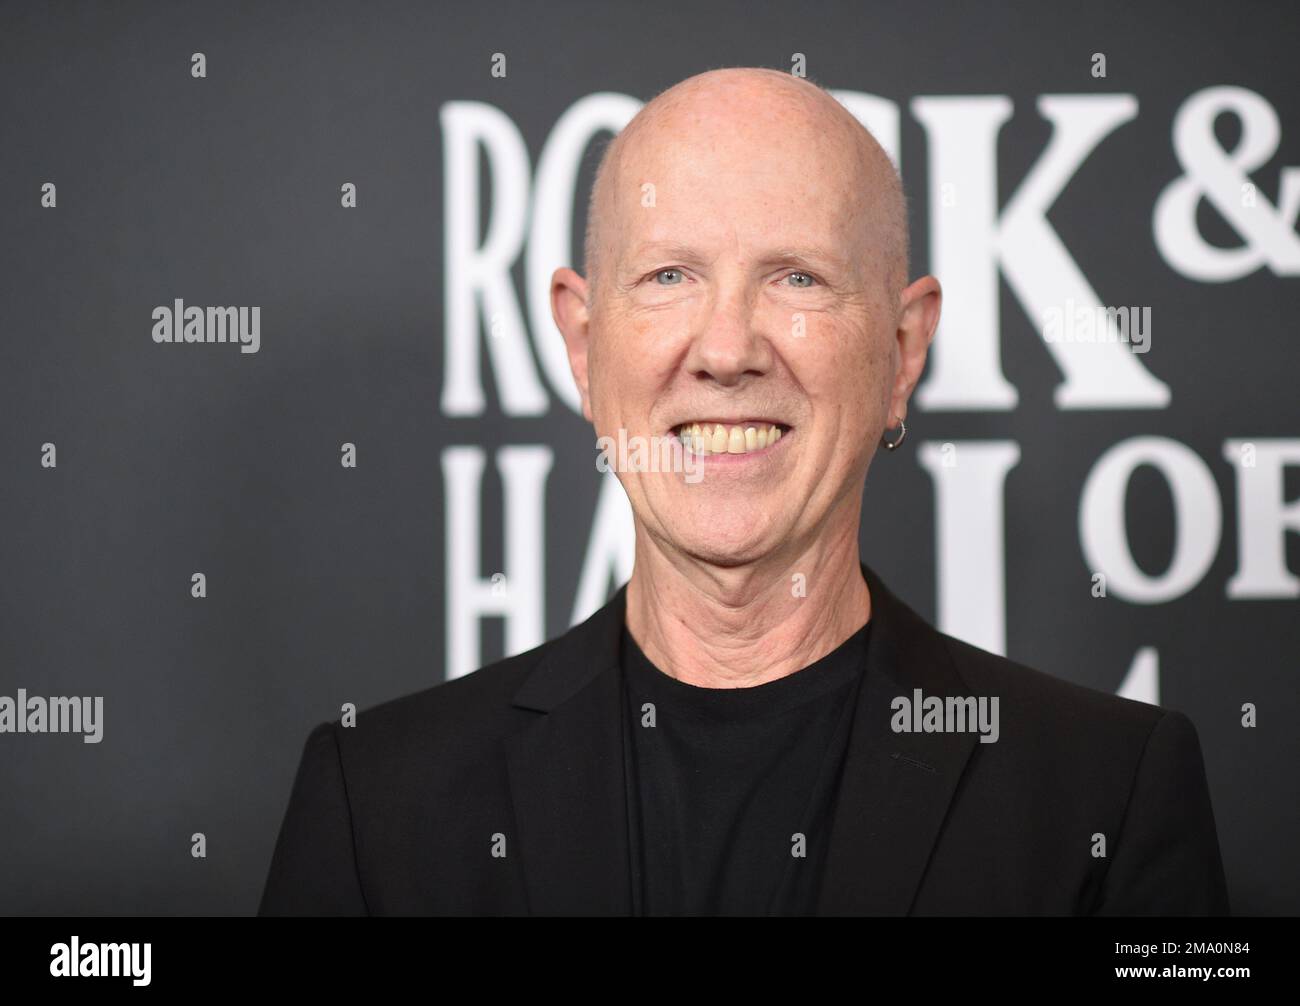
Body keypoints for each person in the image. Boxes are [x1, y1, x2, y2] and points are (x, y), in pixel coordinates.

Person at [258, 67, 1229, 916]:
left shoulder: (1105, 792)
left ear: (901, 351)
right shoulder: (378, 803)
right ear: (583, 346)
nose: (726, 350)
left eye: (797, 278)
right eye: (670, 274)